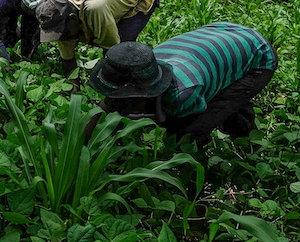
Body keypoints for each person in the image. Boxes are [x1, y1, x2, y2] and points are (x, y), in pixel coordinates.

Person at [84, 22, 278, 148]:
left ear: (146, 93)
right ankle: (246, 133)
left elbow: (176, 122)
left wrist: (152, 117)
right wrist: (80, 145)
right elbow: (104, 108)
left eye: (126, 101)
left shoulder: (184, 92)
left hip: (258, 56)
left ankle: (247, 145)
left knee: (191, 131)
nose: (119, 105)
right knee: (222, 92)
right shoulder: (134, 67)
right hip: (220, 31)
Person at [35, 0, 159, 77]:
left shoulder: (94, 8)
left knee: (123, 49)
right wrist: (73, 87)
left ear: (72, 18)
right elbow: (67, 59)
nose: (62, 37)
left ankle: (135, 83)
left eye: (62, 33)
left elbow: (114, 51)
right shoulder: (58, 8)